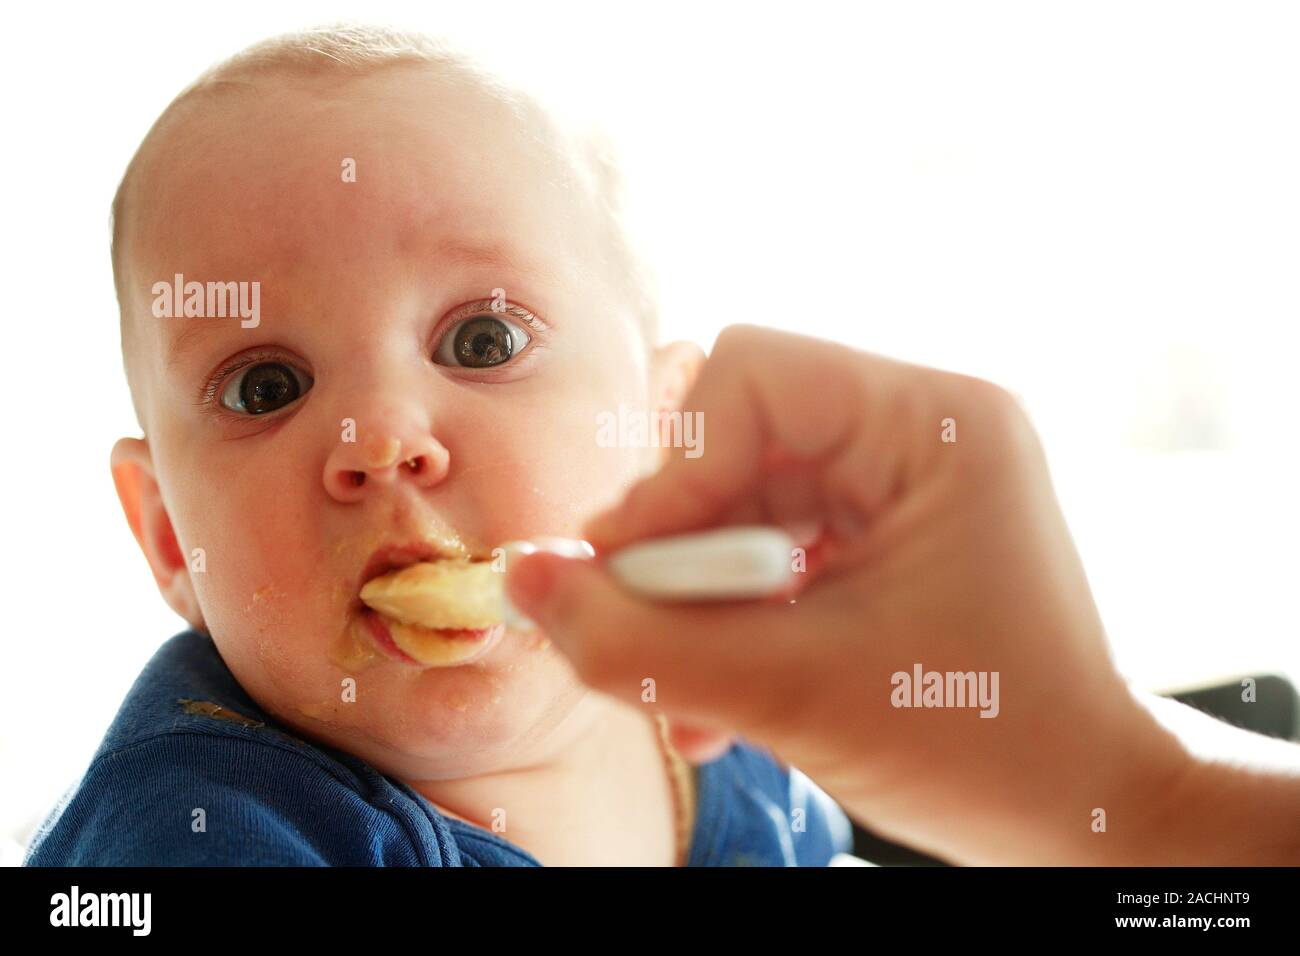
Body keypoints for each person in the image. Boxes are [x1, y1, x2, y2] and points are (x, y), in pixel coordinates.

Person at [23, 25, 852, 868]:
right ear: (170, 541)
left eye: (483, 342)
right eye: (265, 387)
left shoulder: (723, 704)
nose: (379, 440)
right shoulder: (192, 829)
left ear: (669, 439)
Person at [506, 323, 1300, 865]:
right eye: (366, 391)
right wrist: (1136, 796)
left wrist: (1115, 786)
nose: (384, 436)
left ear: (671, 416)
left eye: (485, 341)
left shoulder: (755, 758)